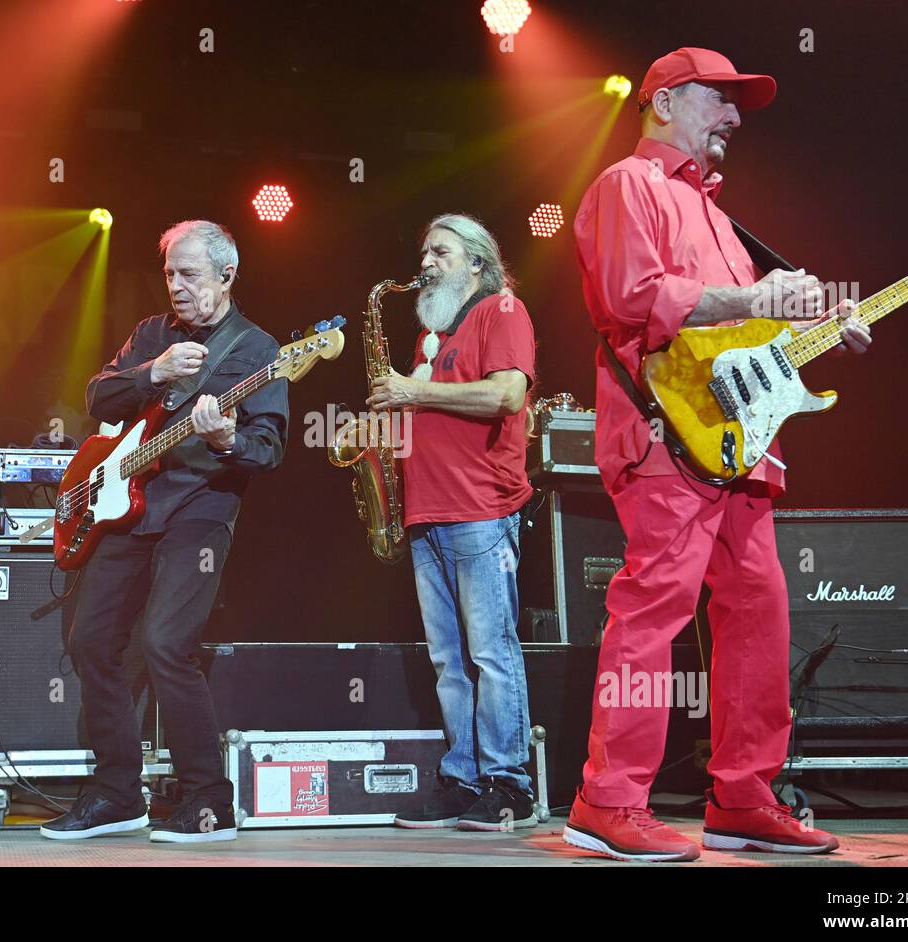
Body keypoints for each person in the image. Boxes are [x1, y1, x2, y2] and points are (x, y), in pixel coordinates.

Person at [566, 48, 871, 861]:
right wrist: (754, 296)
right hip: (668, 436)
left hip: (739, 442)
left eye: (739, 105)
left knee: (760, 613)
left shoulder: (720, 217)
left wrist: (815, 331)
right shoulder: (627, 186)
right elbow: (633, 300)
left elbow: (741, 337)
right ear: (664, 102)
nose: (735, 118)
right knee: (655, 607)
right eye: (720, 100)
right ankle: (610, 799)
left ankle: (744, 797)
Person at [40, 220, 288, 843]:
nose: (176, 286)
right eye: (170, 273)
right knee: (90, 643)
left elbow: (267, 447)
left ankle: (208, 799)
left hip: (200, 510)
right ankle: (117, 793)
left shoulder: (258, 351)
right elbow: (99, 398)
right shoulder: (153, 335)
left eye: (190, 275)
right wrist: (153, 372)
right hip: (127, 507)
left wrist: (226, 436)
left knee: (165, 646)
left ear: (226, 277)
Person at [368, 213, 538, 831]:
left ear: (477, 262)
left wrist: (414, 395)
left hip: (480, 510)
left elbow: (506, 396)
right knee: (448, 659)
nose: (428, 262)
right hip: (426, 513)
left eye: (442, 251)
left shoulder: (503, 311)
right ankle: (464, 777)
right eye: (425, 251)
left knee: (491, 651)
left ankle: (508, 782)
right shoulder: (428, 338)